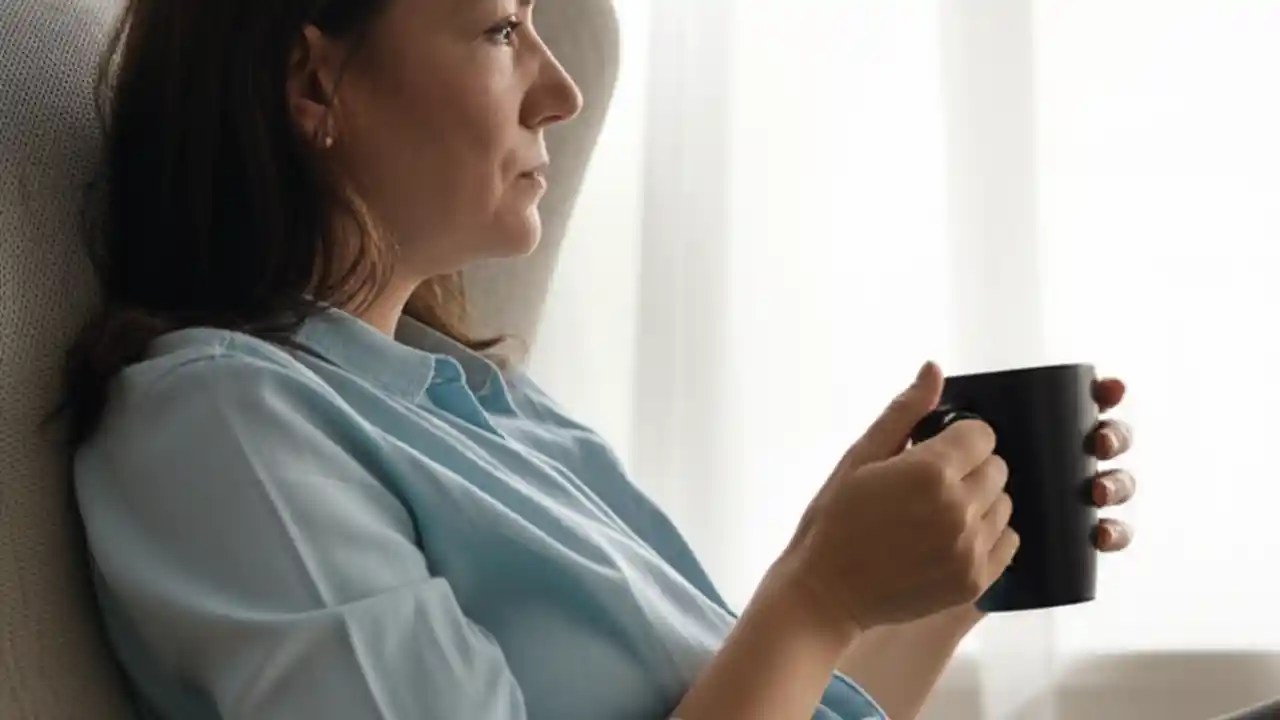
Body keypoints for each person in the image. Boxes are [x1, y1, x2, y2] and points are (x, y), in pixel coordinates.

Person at [64, 1, 1137, 719]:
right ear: (312, 83)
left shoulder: (500, 416)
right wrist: (816, 595)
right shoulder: (222, 425)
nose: (559, 92)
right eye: (498, 28)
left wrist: (944, 577)